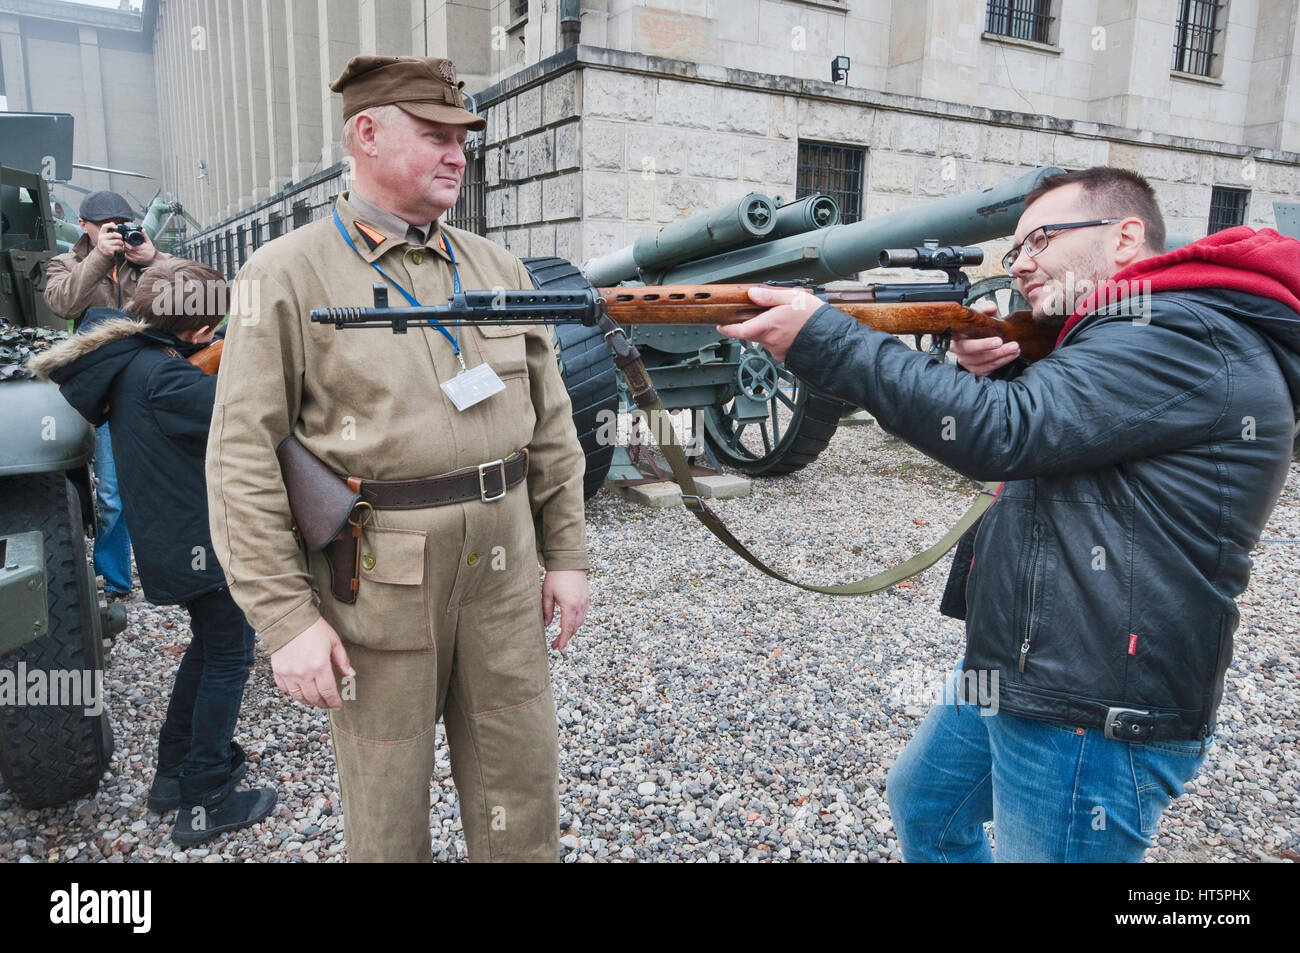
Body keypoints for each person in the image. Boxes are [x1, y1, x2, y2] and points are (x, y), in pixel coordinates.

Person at [719, 167, 1300, 861]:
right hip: (1028, 662)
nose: (1019, 263)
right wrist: (1006, 370)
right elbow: (1077, 429)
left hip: (1092, 705)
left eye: (1041, 240)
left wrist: (829, 337)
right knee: (928, 811)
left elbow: (1007, 432)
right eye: (1015, 248)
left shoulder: (1181, 329)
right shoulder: (1133, 327)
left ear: (1124, 238)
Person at [205, 54, 590, 863]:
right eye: (435, 134)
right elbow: (242, 459)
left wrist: (567, 553)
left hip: (504, 564)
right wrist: (285, 621)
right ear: (366, 134)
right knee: (385, 807)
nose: (457, 153)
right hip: (379, 578)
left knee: (521, 786)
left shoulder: (497, 268)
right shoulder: (282, 274)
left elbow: (551, 422)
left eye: (463, 138)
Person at [30, 256, 277, 846]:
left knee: (211, 649)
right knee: (228, 657)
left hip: (175, 539)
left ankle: (173, 776)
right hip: (199, 542)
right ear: (197, 331)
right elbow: (252, 420)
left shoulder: (139, 360)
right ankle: (206, 796)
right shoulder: (169, 378)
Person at [43, 190, 169, 602]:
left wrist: (154, 259)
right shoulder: (67, 262)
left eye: (123, 223)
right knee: (113, 497)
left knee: (165, 486)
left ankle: (170, 573)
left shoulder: (142, 258)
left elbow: (198, 293)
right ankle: (114, 579)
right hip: (103, 391)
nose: (118, 232)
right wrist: (99, 257)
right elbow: (63, 303)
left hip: (150, 383)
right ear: (84, 226)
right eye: (107, 226)